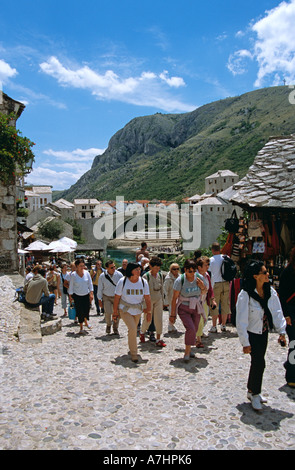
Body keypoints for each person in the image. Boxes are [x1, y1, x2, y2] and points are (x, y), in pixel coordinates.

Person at [236, 260, 287, 411]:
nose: (267, 275)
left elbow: (277, 312)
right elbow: (241, 320)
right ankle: (255, 393)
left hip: (263, 332)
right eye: (264, 273)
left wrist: (281, 331)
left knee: (258, 362)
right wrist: (245, 342)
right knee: (259, 362)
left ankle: (252, 391)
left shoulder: (270, 292)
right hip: (252, 333)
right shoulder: (245, 295)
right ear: (255, 276)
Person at [170, 259, 208, 363]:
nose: (192, 274)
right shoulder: (180, 280)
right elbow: (174, 298)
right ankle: (187, 352)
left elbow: (205, 291)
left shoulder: (199, 278)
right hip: (184, 307)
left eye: (194, 271)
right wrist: (172, 315)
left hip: (196, 307)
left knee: (195, 329)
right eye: (189, 271)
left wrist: (202, 287)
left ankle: (189, 349)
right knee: (190, 328)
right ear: (185, 270)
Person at [113, 263, 151, 363]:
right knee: (133, 328)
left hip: (138, 309)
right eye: (137, 269)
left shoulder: (143, 282)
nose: (139, 271)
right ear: (131, 271)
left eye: (139, 269)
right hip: (125, 309)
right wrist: (115, 312)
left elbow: (147, 297)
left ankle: (131, 347)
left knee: (132, 331)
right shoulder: (123, 281)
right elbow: (117, 297)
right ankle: (134, 353)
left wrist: (149, 311)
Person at [140, 257, 166, 348]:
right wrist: (144, 305)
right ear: (150, 266)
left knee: (159, 320)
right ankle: (142, 332)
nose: (157, 269)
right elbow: (143, 292)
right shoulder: (145, 277)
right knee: (147, 319)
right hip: (149, 300)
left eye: (158, 267)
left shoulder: (160, 275)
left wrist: (163, 301)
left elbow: (162, 288)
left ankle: (158, 338)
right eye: (155, 267)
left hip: (158, 299)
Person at [279, 247, 295, 388]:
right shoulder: (288, 272)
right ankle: (291, 375)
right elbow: (282, 295)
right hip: (291, 312)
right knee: (294, 344)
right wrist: (286, 315)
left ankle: (290, 364)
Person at [208, 242, 230, 333]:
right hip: (226, 283)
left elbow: (209, 273)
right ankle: (224, 325)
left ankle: (214, 326)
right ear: (220, 249)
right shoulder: (226, 257)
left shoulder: (211, 260)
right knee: (225, 304)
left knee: (214, 305)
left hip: (215, 284)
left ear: (212, 250)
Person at [97, 260, 123, 335]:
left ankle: (115, 328)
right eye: (111, 267)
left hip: (116, 297)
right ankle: (108, 324)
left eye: (114, 267)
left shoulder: (119, 275)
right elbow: (100, 288)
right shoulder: (102, 276)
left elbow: (123, 286)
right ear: (107, 268)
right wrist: (99, 300)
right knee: (108, 312)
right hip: (107, 297)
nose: (114, 268)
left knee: (116, 313)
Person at [68, 259, 94, 334]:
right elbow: (71, 286)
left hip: (86, 295)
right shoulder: (73, 275)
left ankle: (86, 322)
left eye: (83, 265)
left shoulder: (87, 273)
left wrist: (91, 293)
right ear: (76, 266)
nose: (82, 267)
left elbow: (90, 284)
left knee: (86, 310)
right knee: (80, 311)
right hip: (77, 295)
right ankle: (81, 327)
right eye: (80, 266)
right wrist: (70, 296)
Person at [195, 256, 217, 347]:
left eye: (208, 265)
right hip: (196, 301)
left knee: (204, 318)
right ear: (199, 267)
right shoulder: (195, 276)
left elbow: (210, 288)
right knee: (199, 319)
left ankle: (198, 332)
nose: (207, 266)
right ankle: (198, 339)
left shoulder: (207, 275)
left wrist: (212, 299)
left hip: (204, 300)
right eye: (205, 265)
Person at [163, 263, 180, 333]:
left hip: (179, 297)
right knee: (171, 312)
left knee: (176, 312)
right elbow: (165, 290)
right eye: (174, 269)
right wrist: (165, 301)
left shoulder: (180, 277)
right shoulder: (168, 279)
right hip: (171, 298)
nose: (176, 270)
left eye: (177, 269)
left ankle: (172, 324)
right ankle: (170, 325)